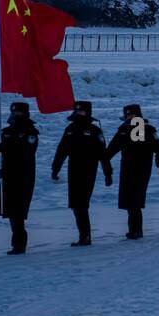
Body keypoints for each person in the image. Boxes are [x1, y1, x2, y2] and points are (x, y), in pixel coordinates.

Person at [51, 100, 112, 246]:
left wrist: (107, 173)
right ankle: (84, 236)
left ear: (88, 113)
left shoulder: (95, 131)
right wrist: (55, 168)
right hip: (73, 170)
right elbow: (62, 150)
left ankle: (85, 237)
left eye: (82, 112)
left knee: (81, 204)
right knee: (75, 205)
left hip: (89, 171)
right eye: (77, 111)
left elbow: (102, 153)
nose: (79, 114)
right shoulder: (70, 129)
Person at [104, 103, 159, 239]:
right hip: (127, 169)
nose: (128, 117)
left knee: (135, 200)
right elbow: (111, 149)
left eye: (130, 114)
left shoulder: (148, 130)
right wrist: (103, 161)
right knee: (129, 201)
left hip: (142, 169)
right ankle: (134, 230)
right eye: (126, 115)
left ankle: (136, 230)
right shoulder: (123, 130)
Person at [0, 101, 39, 254]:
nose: (16, 115)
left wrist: (7, 149)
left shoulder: (30, 132)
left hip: (24, 177)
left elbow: (26, 153)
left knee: (18, 212)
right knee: (10, 211)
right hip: (8, 176)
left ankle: (19, 244)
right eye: (14, 112)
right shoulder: (6, 131)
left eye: (20, 113)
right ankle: (17, 244)